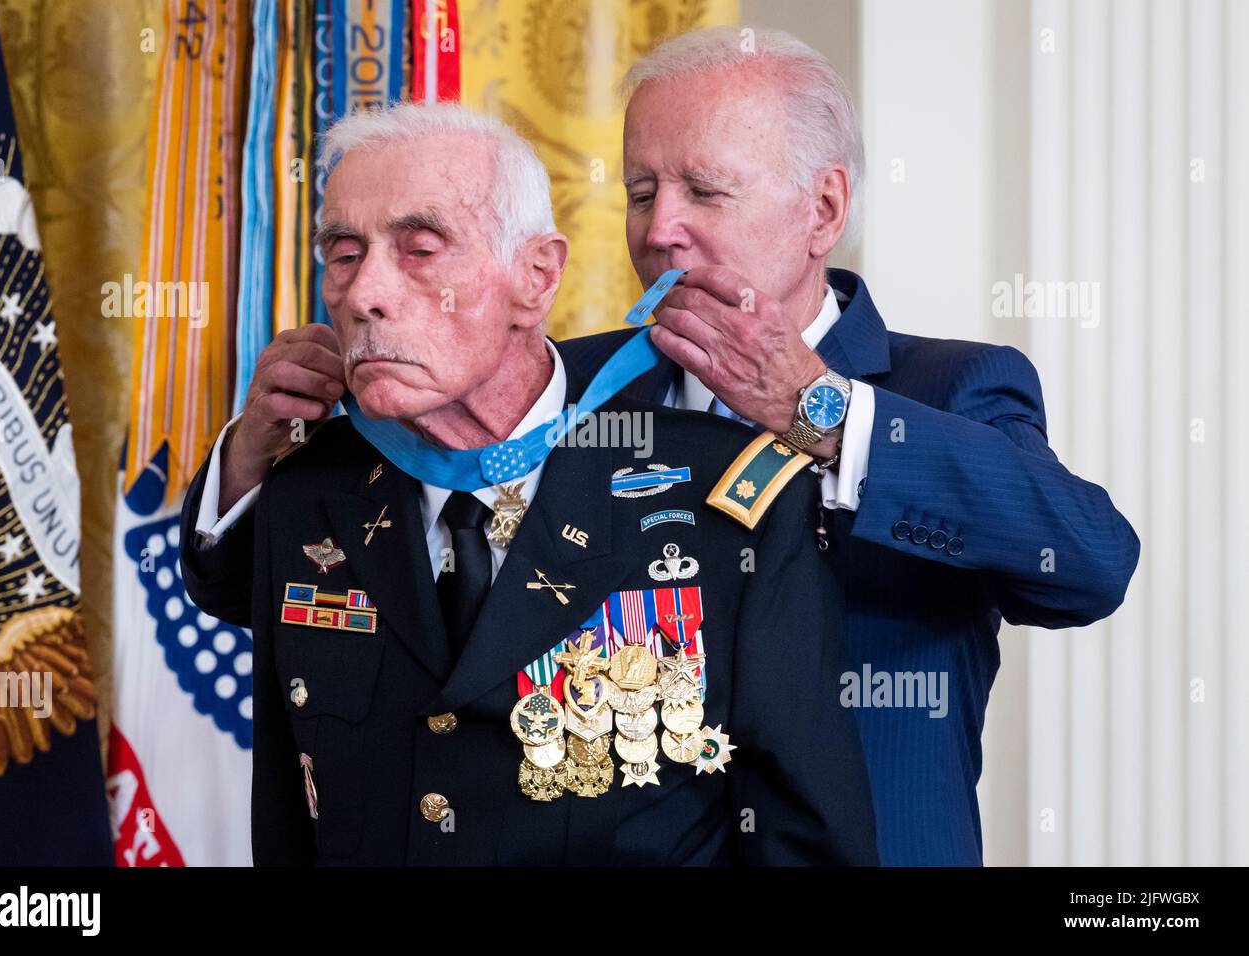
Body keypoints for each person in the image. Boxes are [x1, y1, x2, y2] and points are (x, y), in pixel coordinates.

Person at [184, 28, 1140, 866]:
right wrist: (252, 456)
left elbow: (1090, 565)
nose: (658, 230)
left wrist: (820, 413)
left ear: (824, 208)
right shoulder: (553, 380)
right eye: (642, 191)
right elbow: (303, 589)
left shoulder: (948, 388)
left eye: (704, 192)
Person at [207, 102, 877, 865]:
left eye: (421, 249)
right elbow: (289, 821)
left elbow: (804, 833)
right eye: (345, 253)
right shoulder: (305, 490)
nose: (365, 295)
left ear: (536, 277)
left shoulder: (725, 494)